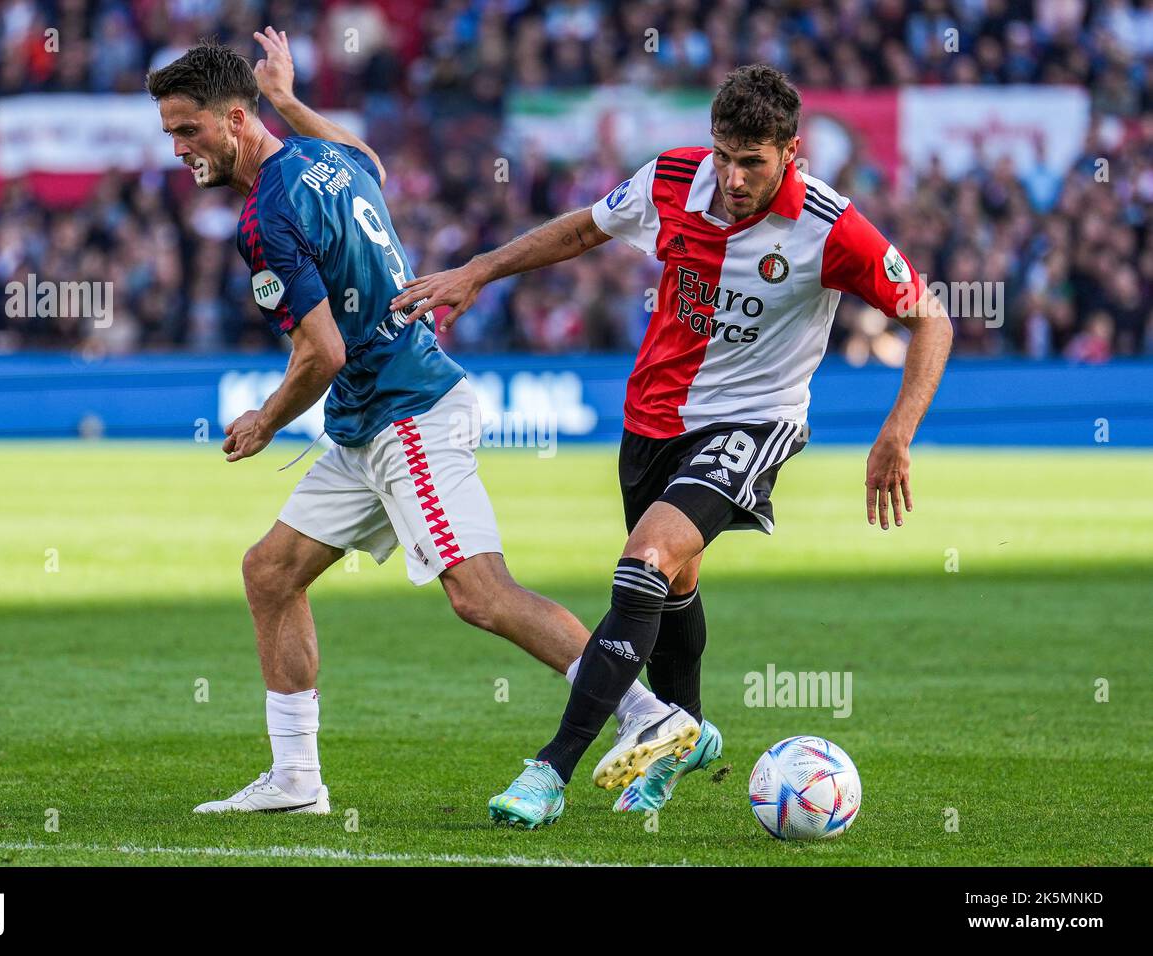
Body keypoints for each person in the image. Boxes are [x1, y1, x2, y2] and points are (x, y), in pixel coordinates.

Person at [392, 64, 953, 825]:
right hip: (652, 420)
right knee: (673, 585)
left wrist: (897, 433)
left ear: (791, 152)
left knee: (644, 561)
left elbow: (933, 317)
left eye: (751, 160)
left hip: (754, 421)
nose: (731, 175)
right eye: (723, 153)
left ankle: (548, 772)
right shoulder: (672, 179)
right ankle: (681, 736)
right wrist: (481, 270)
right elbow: (587, 227)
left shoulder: (830, 227)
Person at [145, 30, 684, 819]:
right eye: (169, 134)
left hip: (408, 414)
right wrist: (290, 101)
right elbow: (372, 162)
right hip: (371, 419)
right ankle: (297, 782)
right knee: (270, 573)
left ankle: (646, 713)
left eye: (187, 130)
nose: (179, 150)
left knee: (480, 595)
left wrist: (265, 421)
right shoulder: (322, 160)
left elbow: (320, 352)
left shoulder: (264, 215)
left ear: (233, 119)